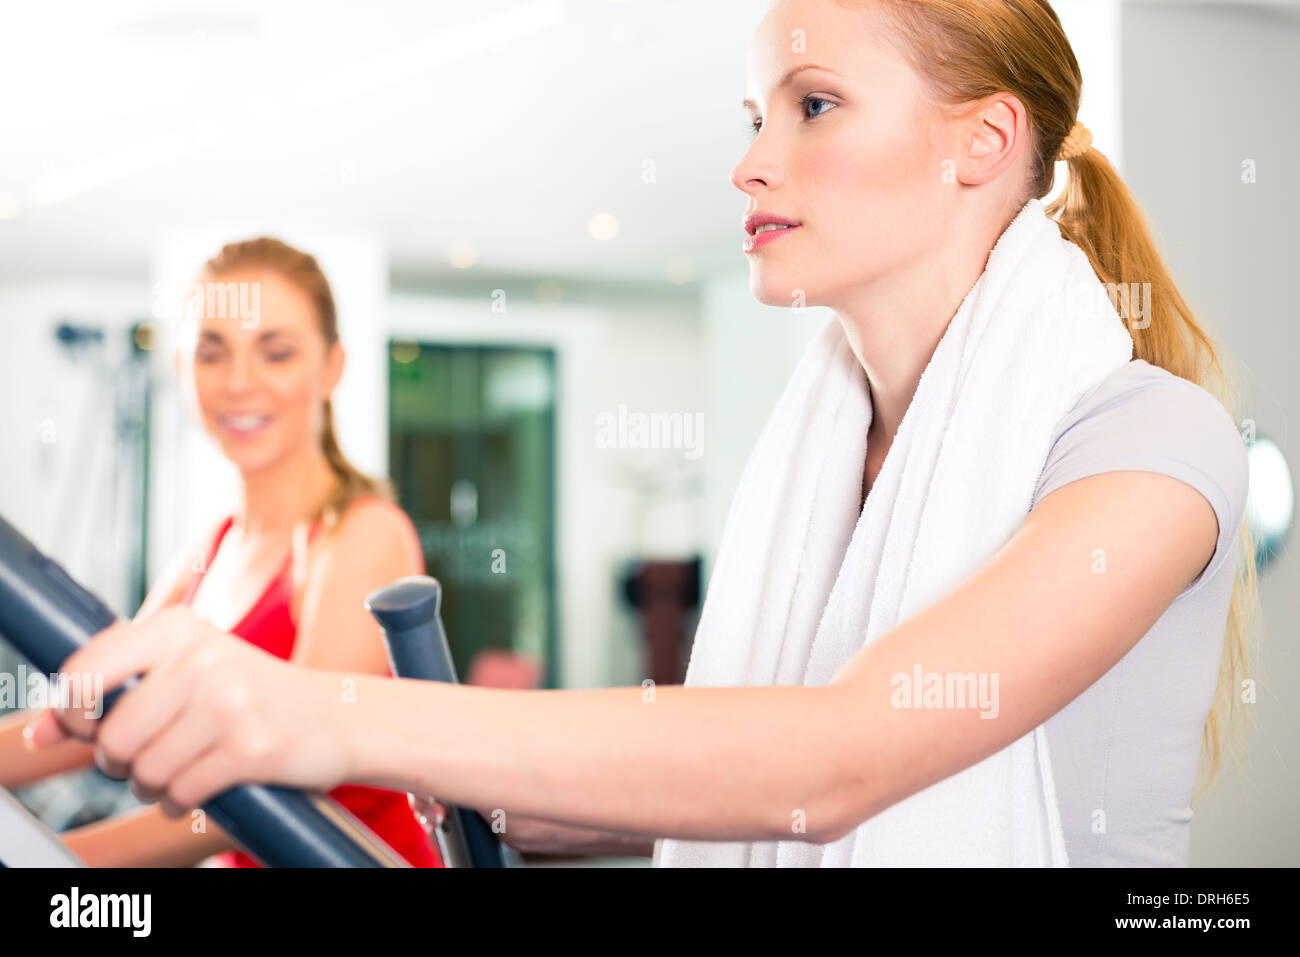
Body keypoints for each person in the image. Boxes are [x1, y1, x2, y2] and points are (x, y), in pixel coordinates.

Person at [26, 0, 1257, 866]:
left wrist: (319, 712)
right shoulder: (828, 459)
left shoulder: (1150, 446)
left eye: (812, 106)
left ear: (980, 144)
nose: (749, 163)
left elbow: (834, 762)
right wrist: (528, 792)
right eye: (754, 114)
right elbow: (730, 748)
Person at [3, 237, 442, 868]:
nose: (239, 382)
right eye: (212, 353)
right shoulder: (205, 553)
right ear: (184, 369)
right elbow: (96, 710)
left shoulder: (362, 534)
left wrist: (52, 859)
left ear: (331, 367)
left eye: (277, 351)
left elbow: (288, 772)